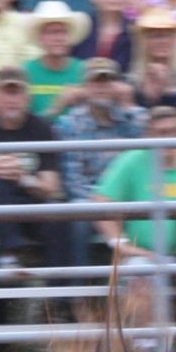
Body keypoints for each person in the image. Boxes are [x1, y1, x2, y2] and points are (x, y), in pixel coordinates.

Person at [93, 103, 176, 338]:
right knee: (139, 281)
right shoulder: (132, 161)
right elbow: (100, 203)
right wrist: (122, 244)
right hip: (144, 254)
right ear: (148, 135)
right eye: (160, 132)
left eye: (173, 131)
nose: (167, 138)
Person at [0, 63, 66, 273]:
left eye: (17, 92)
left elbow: (51, 187)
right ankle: (9, 253)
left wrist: (22, 177)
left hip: (28, 203)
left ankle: (63, 299)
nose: (12, 100)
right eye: (6, 92)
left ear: (27, 97)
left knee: (61, 220)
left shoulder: (41, 127)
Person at [55, 59, 146, 263]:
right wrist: (103, 207)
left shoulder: (131, 118)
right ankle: (78, 290)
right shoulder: (70, 124)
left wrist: (127, 104)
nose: (101, 87)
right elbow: (73, 183)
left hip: (128, 198)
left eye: (108, 81)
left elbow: (147, 145)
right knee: (78, 217)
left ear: (117, 85)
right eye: (95, 81)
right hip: (89, 199)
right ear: (85, 87)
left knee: (153, 211)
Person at [22, 0, 90, 118]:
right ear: (40, 37)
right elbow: (23, 122)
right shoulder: (25, 71)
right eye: (52, 33)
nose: (58, 38)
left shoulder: (84, 70)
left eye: (63, 32)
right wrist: (58, 106)